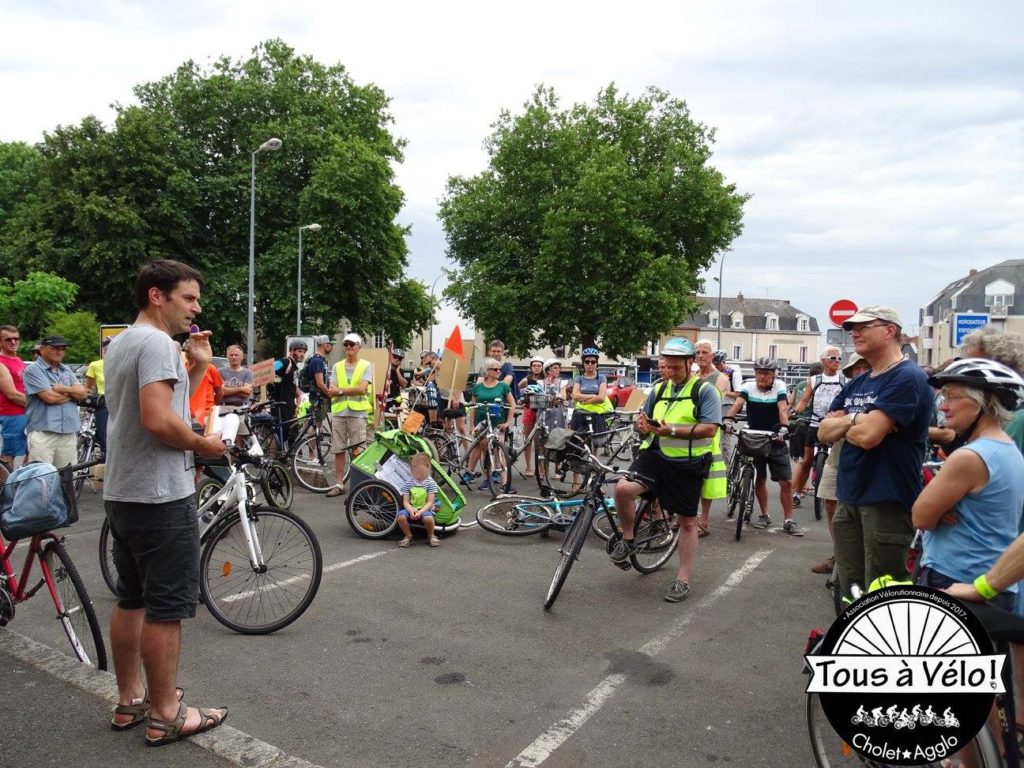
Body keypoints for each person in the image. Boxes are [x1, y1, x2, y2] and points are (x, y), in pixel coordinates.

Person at [104, 259, 227, 744]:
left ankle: (131, 700)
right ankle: (166, 713)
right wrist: (204, 445)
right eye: (189, 298)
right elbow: (158, 421)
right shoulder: (156, 342)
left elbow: (163, 408)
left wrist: (197, 366)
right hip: (159, 494)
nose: (196, 309)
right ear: (157, 296)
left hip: (124, 491)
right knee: (166, 608)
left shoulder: (124, 342)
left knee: (131, 597)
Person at [817, 306, 933, 599]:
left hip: (887, 500)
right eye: (853, 328)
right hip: (850, 495)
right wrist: (857, 419)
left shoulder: (906, 376)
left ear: (890, 330)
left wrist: (848, 423)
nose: (855, 333)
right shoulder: (860, 381)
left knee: (883, 594)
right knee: (850, 590)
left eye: (864, 326)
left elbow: (868, 437)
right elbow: (823, 432)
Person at [611, 338, 720, 602]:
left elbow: (710, 428)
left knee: (686, 522)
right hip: (654, 454)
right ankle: (628, 538)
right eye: (666, 367)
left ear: (690, 363)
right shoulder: (659, 388)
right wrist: (642, 425)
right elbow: (643, 421)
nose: (669, 372)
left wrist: (671, 430)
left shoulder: (705, 391)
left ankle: (682, 579)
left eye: (675, 368)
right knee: (623, 489)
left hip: (687, 462)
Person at [911, 359, 1024, 610]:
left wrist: (939, 508)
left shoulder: (969, 457)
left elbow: (921, 516)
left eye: (952, 397)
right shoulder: (1008, 449)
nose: (944, 407)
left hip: (956, 575)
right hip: (996, 578)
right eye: (944, 398)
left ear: (983, 403)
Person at [724, 357, 801, 536]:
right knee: (759, 478)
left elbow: (782, 408)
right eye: (759, 372)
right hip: (754, 437)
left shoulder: (779, 386)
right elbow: (738, 404)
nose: (762, 376)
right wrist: (728, 419)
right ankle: (764, 515)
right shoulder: (748, 386)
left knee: (786, 482)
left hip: (775, 438)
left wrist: (783, 429)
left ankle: (789, 520)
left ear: (774, 375)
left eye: (766, 373)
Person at [811, 353, 871, 574]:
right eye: (857, 368)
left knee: (861, 512)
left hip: (864, 462)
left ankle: (857, 558)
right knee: (830, 504)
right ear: (851, 373)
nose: (862, 372)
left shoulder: (879, 392)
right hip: (836, 457)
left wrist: (843, 422)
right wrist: (852, 423)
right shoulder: (846, 392)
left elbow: (871, 433)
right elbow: (824, 433)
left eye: (866, 367)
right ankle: (839, 554)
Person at [790, 348, 847, 507]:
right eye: (833, 358)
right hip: (816, 423)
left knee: (840, 460)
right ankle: (797, 493)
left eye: (839, 358)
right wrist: (795, 410)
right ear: (824, 361)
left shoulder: (844, 379)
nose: (837, 361)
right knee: (807, 460)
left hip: (836, 424)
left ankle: (840, 494)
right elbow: (804, 400)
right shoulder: (814, 380)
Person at [23, 334, 87, 468]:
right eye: (54, 348)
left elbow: (83, 393)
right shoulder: (33, 370)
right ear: (42, 349)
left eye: (63, 349)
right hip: (43, 432)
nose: (59, 352)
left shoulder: (66, 370)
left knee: (68, 479)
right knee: (42, 478)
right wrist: (72, 393)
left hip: (68, 432)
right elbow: (50, 398)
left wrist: (64, 389)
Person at [326, 332, 372, 497]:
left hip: (357, 413)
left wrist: (339, 390)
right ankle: (339, 484)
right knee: (338, 449)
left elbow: (362, 388)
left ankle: (359, 485)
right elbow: (331, 390)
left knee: (357, 451)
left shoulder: (366, 365)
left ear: (359, 347)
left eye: (352, 344)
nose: (348, 347)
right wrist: (339, 391)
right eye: (346, 344)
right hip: (339, 413)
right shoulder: (337, 366)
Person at [465, 357, 516, 491]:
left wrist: (508, 421)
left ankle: (505, 482)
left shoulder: (503, 386)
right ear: (487, 371)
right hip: (481, 422)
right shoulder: (477, 387)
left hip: (498, 423)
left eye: (499, 369)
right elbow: (472, 406)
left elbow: (512, 404)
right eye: (495, 369)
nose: (499, 371)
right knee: (482, 447)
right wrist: (471, 425)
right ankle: (483, 476)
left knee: (499, 449)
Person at [693, 340, 727, 537]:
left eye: (705, 352)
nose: (700, 356)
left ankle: (704, 520)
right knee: (688, 474)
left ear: (712, 355)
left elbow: (715, 400)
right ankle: (687, 517)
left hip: (708, 431)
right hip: (691, 427)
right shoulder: (693, 376)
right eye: (697, 352)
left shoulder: (720, 378)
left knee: (708, 477)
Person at [397, 452, 441, 548]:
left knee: (428, 518)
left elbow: (430, 502)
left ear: (428, 470)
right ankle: (408, 536)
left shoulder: (430, 483)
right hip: (411, 509)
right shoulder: (408, 483)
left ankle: (431, 535)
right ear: (412, 471)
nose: (419, 477)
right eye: (417, 474)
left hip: (425, 509)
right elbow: (405, 501)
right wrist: (411, 510)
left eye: (422, 474)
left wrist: (420, 512)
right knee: (400, 517)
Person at [0, 325, 28, 469]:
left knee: (33, 451)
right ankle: (6, 489)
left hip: (24, 412)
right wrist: (38, 404)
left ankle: (21, 483)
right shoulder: (1, 362)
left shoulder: (18, 360)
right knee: (8, 455)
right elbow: (11, 394)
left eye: (16, 338)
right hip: (10, 415)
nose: (13, 342)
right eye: (8, 339)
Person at [570, 347, 612, 441]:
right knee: (578, 441)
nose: (590, 364)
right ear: (583, 363)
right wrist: (592, 396)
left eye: (593, 362)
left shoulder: (601, 378)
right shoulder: (579, 379)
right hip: (580, 415)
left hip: (596, 415)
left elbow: (601, 398)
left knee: (595, 443)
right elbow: (575, 396)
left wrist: (583, 401)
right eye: (587, 361)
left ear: (596, 363)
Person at [712, 350, 742, 471]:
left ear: (724, 362)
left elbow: (737, 394)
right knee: (713, 437)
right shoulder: (714, 373)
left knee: (725, 438)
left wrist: (723, 392)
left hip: (727, 406)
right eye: (715, 365)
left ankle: (727, 468)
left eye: (719, 364)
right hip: (715, 406)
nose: (717, 367)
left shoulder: (733, 373)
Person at [217, 345, 254, 440]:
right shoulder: (220, 372)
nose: (233, 357)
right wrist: (241, 389)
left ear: (242, 357)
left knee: (240, 438)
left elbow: (247, 393)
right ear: (227, 356)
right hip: (223, 408)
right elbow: (220, 391)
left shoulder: (248, 373)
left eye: (236, 355)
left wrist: (227, 390)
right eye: (231, 355)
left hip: (241, 409)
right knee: (223, 437)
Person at [268, 339, 306, 424]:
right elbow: (270, 368)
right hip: (281, 406)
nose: (302, 354)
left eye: (304, 352)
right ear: (292, 351)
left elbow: (290, 384)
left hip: (290, 406)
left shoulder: (294, 367)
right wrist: (277, 380)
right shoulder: (285, 361)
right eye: (299, 351)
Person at [84, 337, 112, 456]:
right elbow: (88, 387)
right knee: (104, 437)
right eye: (107, 350)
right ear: (104, 351)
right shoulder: (95, 365)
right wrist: (87, 402)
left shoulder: (123, 364)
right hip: (103, 404)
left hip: (120, 404)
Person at [518, 356, 545, 477]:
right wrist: (522, 398)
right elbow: (518, 387)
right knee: (528, 439)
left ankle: (541, 468)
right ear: (531, 367)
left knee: (540, 441)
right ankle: (529, 467)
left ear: (542, 367)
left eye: (539, 365)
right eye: (534, 365)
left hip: (541, 409)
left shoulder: (545, 379)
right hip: (529, 409)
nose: (536, 368)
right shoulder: (527, 379)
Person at [187, 359, 222, 429]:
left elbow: (219, 391)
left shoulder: (210, 368)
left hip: (207, 414)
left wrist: (213, 406)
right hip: (187, 415)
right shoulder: (182, 368)